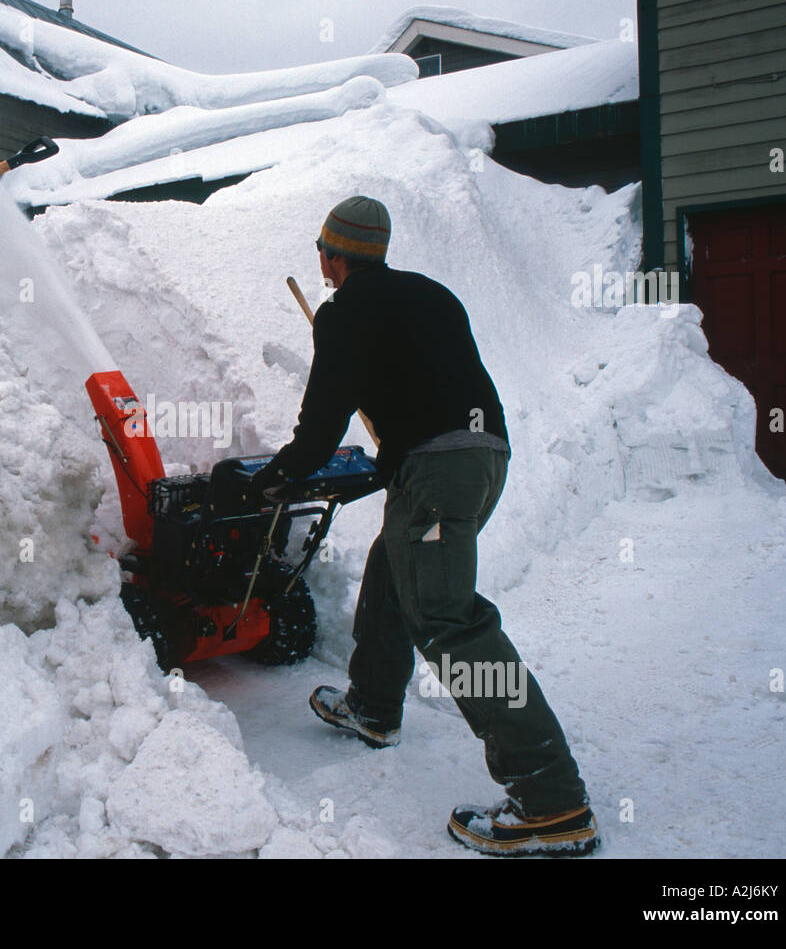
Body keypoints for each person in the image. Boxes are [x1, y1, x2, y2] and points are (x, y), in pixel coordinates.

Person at [247, 196, 598, 857]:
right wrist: (395, 460)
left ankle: (553, 800)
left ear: (332, 255)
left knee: (447, 617)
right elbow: (431, 385)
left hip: (438, 472)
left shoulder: (345, 310)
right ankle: (374, 705)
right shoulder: (431, 296)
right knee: (393, 563)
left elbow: (322, 424)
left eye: (321, 251)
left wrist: (278, 476)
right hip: (485, 457)